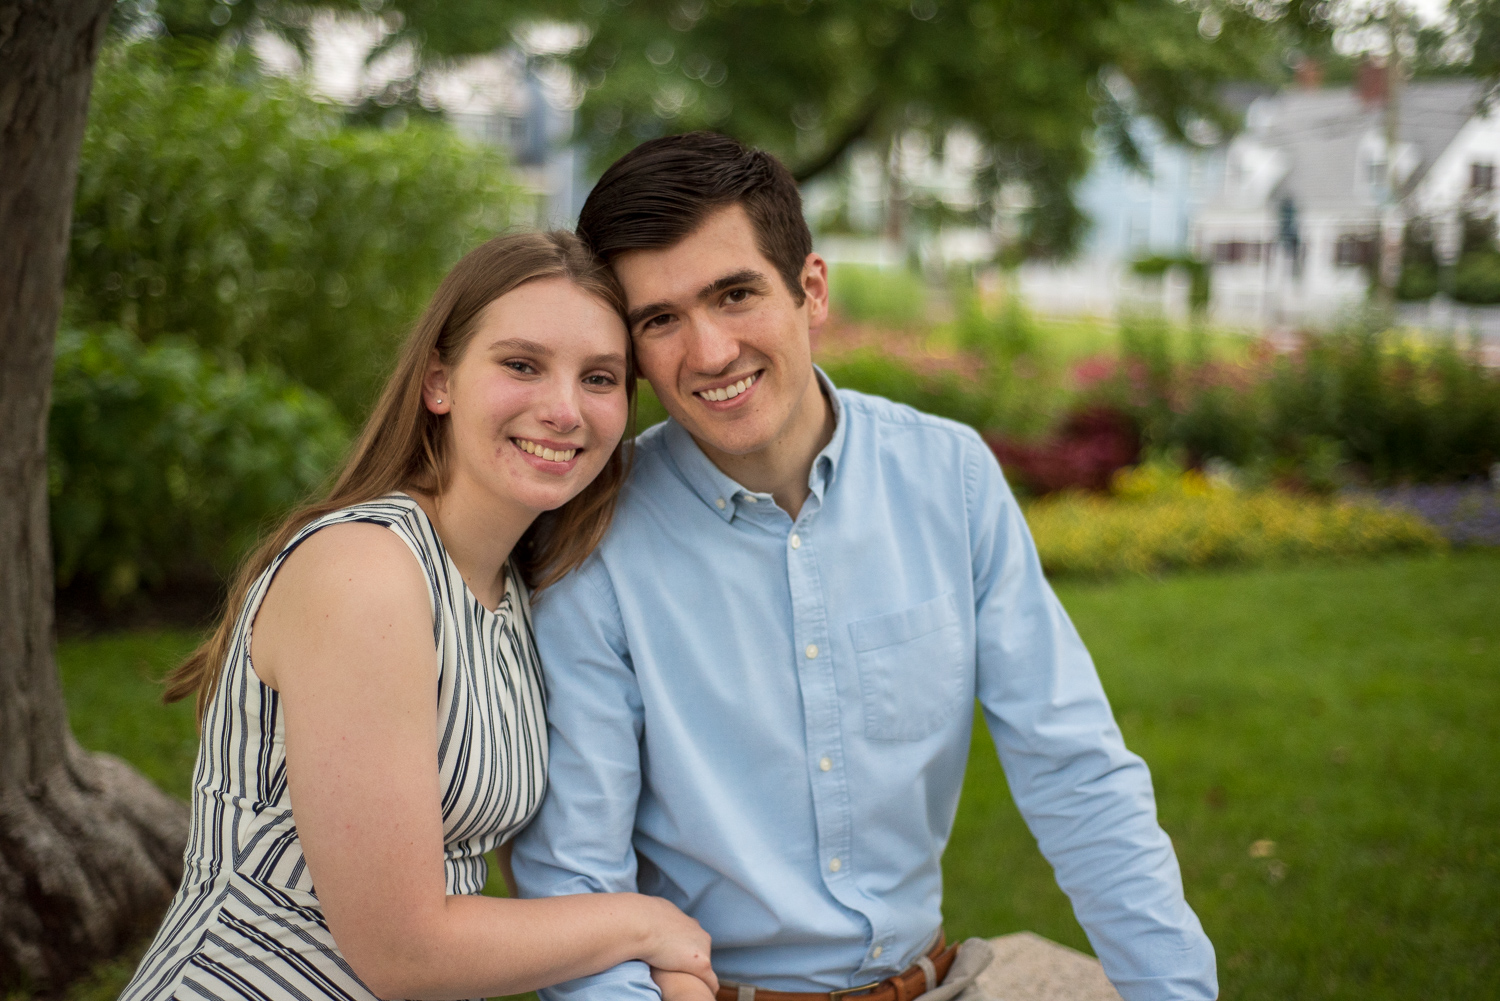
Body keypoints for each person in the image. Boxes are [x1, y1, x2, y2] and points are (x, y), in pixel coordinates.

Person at [510, 134, 1217, 1001]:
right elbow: (576, 883)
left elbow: (1075, 769)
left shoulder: (949, 477)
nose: (709, 352)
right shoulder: (594, 543)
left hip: (935, 981)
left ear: (811, 289)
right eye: (659, 320)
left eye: (736, 295)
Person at [120, 231, 719, 1001]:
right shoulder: (366, 573)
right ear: (440, 381)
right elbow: (403, 948)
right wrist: (642, 922)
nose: (564, 409)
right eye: (521, 364)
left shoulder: (507, 593)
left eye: (599, 378)